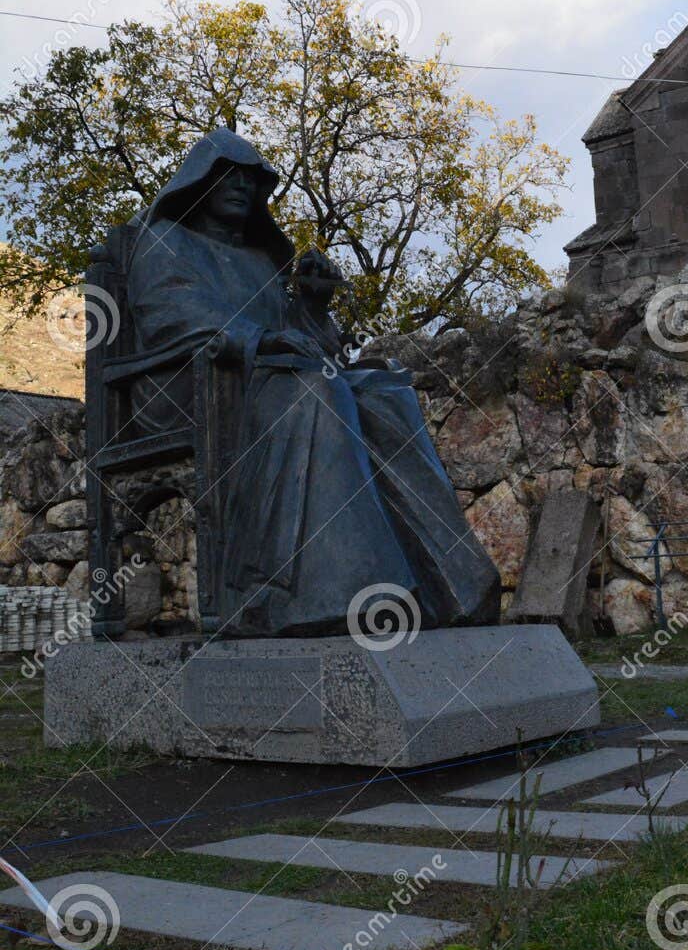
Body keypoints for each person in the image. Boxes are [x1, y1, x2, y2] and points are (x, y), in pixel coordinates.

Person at [125, 129, 500, 637]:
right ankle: (305, 594)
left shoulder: (260, 260)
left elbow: (300, 344)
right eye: (227, 175)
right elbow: (171, 318)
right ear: (201, 181)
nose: (241, 186)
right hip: (188, 389)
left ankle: (454, 589)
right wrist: (257, 339)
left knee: (382, 392)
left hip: (262, 378)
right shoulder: (166, 241)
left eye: (251, 179)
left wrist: (312, 304)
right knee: (316, 391)